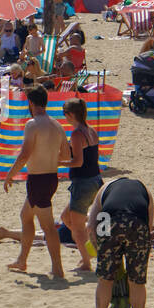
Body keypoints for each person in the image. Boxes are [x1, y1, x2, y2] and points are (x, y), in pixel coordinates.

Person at [3, 85, 70, 279]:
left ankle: (57, 268)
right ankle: (22, 260)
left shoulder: (32, 124)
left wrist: (10, 174)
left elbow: (24, 154)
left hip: (38, 180)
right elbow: (65, 154)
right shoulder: (56, 125)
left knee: (48, 227)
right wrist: (49, 157)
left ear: (31, 103)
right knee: (25, 215)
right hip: (51, 178)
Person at [87, 176, 154, 308]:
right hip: (138, 222)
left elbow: (91, 225)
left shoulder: (103, 190)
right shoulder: (145, 189)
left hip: (109, 221)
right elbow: (149, 227)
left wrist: (100, 250)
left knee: (105, 279)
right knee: (136, 282)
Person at [60, 99, 103, 273]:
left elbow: (77, 162)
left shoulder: (77, 134)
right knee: (66, 218)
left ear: (71, 114)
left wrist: (59, 162)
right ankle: (90, 249)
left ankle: (86, 262)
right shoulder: (91, 130)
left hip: (83, 183)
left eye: (66, 115)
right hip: (96, 181)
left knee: (76, 227)